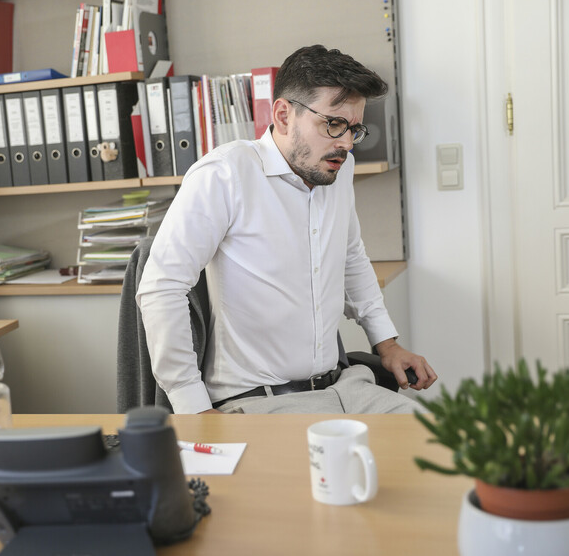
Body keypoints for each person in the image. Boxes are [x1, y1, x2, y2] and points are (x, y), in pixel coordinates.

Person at [136, 45, 438, 415]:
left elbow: (351, 259)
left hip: (345, 385)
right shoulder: (225, 174)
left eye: (354, 129)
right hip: (261, 401)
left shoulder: (338, 170)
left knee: (443, 441)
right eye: (333, 125)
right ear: (283, 115)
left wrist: (387, 344)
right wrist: (193, 407)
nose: (346, 144)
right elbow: (162, 287)